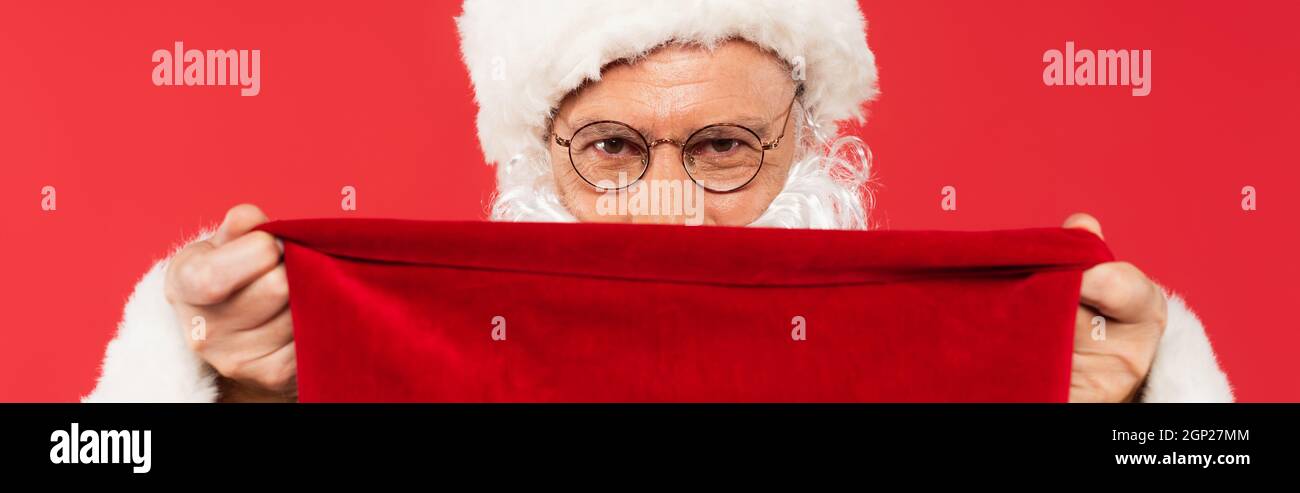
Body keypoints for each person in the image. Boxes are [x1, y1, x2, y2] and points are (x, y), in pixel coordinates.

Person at [84, 0, 1232, 403]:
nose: (672, 207)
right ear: (535, 158)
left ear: (812, 143)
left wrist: (1144, 423)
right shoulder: (398, 354)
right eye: (614, 148)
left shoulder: (964, 357)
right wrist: (220, 385)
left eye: (726, 144)